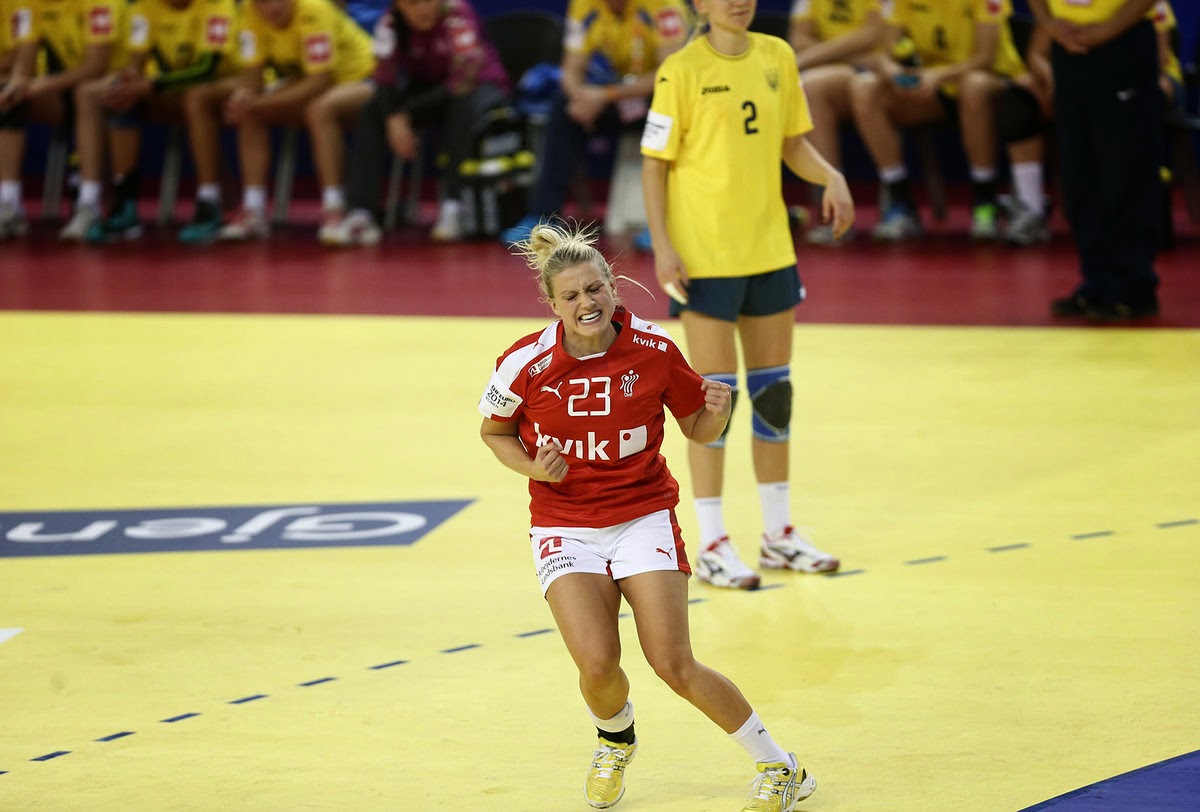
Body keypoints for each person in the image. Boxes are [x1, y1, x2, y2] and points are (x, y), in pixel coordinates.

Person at [478, 220, 819, 812]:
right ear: (552, 304)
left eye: (595, 290)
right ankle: (615, 740)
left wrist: (719, 411)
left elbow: (697, 428)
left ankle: (780, 766)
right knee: (597, 663)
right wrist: (534, 468)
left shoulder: (655, 349)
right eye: (572, 295)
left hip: (642, 515)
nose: (587, 303)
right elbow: (494, 431)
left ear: (614, 287)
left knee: (671, 661)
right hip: (564, 523)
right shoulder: (524, 362)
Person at [641, 0, 851, 590]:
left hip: (770, 251)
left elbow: (792, 143)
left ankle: (779, 535)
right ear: (699, 5)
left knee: (774, 393)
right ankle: (711, 542)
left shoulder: (778, 56)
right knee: (716, 402)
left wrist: (831, 176)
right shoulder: (679, 71)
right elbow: (653, 165)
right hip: (706, 258)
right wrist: (663, 247)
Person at [498, 0, 691, 249]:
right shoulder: (584, 5)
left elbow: (670, 72)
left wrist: (606, 95)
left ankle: (665, 224)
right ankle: (544, 217)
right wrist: (582, 97)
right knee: (562, 105)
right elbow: (572, 69)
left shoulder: (665, 5)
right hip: (622, 94)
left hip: (663, 94)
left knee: (668, 101)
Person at [322, 0, 511, 246]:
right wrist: (394, 117)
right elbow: (384, 77)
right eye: (412, 3)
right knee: (372, 109)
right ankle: (361, 212)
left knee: (461, 107)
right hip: (431, 89)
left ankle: (454, 206)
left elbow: (464, 78)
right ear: (399, 5)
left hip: (480, 88)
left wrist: (406, 112)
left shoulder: (457, 14)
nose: (422, 9)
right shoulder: (389, 23)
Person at [1027, 0, 1162, 321]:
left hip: (1121, 43)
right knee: (1080, 173)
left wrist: (1106, 30)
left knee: (1126, 170)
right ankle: (1096, 281)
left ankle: (1133, 286)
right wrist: (1048, 23)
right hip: (1068, 48)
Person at [198, 0, 375, 242]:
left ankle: (334, 208)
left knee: (319, 110)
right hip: (309, 83)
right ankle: (254, 210)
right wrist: (243, 99)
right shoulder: (249, 14)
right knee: (251, 112)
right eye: (262, 2)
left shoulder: (315, 10)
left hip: (363, 78)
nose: (272, 7)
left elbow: (320, 80)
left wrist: (258, 103)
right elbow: (253, 79)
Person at [848, 0, 1026, 240]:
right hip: (933, 88)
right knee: (864, 87)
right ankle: (901, 202)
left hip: (993, 84)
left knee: (974, 87)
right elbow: (885, 55)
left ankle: (986, 200)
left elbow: (984, 59)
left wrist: (939, 76)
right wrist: (893, 72)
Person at [71, 0, 241, 243]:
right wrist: (128, 80)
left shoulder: (218, 6)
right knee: (118, 95)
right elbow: (135, 64)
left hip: (223, 89)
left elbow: (207, 69)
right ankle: (122, 201)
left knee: (195, 98)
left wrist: (151, 85)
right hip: (172, 88)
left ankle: (209, 201)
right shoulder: (145, 8)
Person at [0, 0, 127, 241]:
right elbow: (25, 63)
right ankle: (9, 205)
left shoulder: (100, 4)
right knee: (7, 97)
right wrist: (15, 85)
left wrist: (45, 84)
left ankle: (89, 204)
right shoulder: (28, 4)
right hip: (66, 90)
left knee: (85, 94)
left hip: (114, 83)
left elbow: (96, 66)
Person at [787, 0, 884, 246]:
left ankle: (899, 200)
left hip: (882, 72)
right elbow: (797, 40)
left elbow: (874, 33)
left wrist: (809, 57)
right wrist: (848, 53)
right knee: (810, 87)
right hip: (842, 68)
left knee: (864, 86)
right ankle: (829, 208)